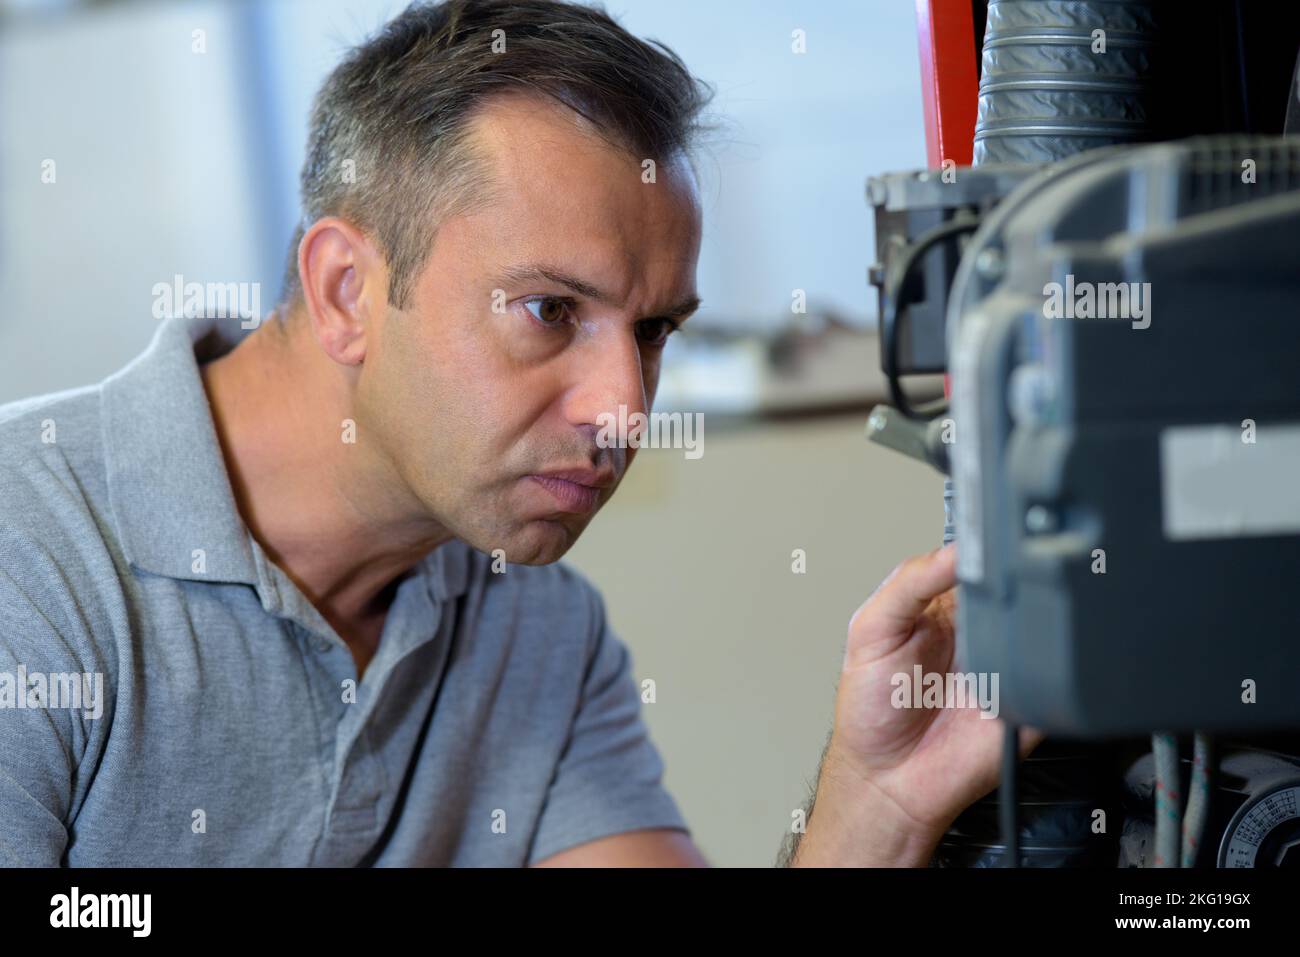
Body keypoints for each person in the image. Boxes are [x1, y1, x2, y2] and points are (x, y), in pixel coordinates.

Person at [0, 0, 1034, 867]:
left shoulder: (535, 627)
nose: (625, 410)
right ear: (347, 292)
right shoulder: (29, 564)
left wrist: (878, 805)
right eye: (548, 311)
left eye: (653, 331)